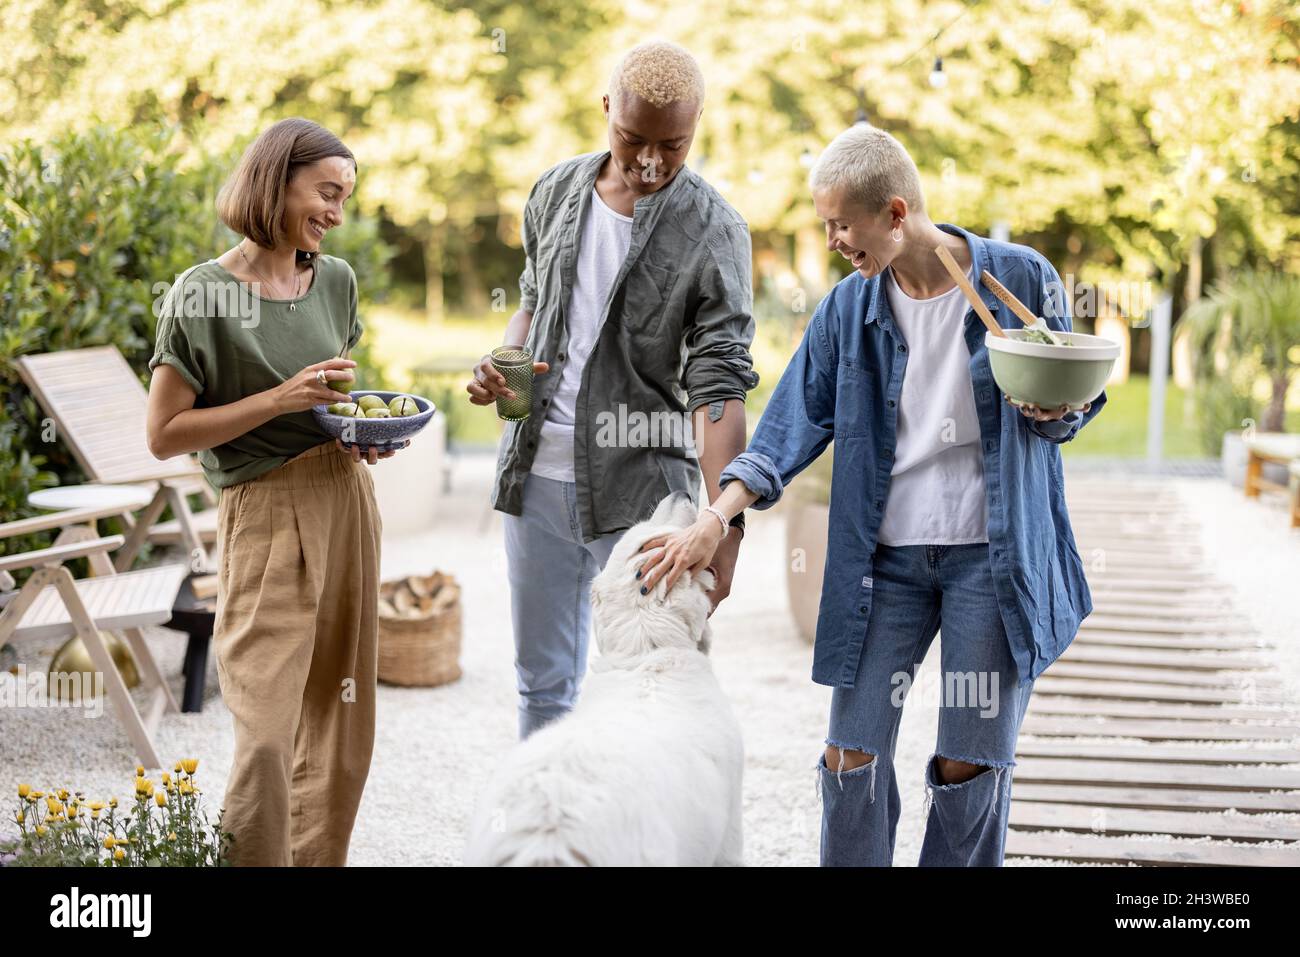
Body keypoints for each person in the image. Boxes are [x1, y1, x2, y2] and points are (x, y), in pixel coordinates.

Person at [638, 123, 1106, 866]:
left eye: (840, 224)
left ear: (894, 213)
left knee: (968, 762)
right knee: (850, 755)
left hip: (991, 561)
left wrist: (1059, 411)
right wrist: (714, 518)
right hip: (883, 566)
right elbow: (787, 425)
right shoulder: (848, 311)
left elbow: (1072, 397)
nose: (831, 241)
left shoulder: (1022, 278)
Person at [466, 40, 760, 739]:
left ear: (697, 126)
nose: (652, 160)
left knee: (647, 687)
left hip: (642, 493)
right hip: (534, 474)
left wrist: (725, 527)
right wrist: (503, 364)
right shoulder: (555, 191)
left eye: (674, 143)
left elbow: (718, 384)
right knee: (542, 685)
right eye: (633, 139)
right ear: (606, 110)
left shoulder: (716, 231)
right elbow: (534, 306)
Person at [146, 117, 400, 866]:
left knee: (341, 726)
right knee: (264, 731)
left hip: (346, 500)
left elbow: (329, 401)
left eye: (346, 197)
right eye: (326, 192)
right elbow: (164, 434)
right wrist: (276, 401)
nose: (337, 212)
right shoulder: (202, 294)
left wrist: (358, 434)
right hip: (262, 509)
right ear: (274, 182)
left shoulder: (337, 281)